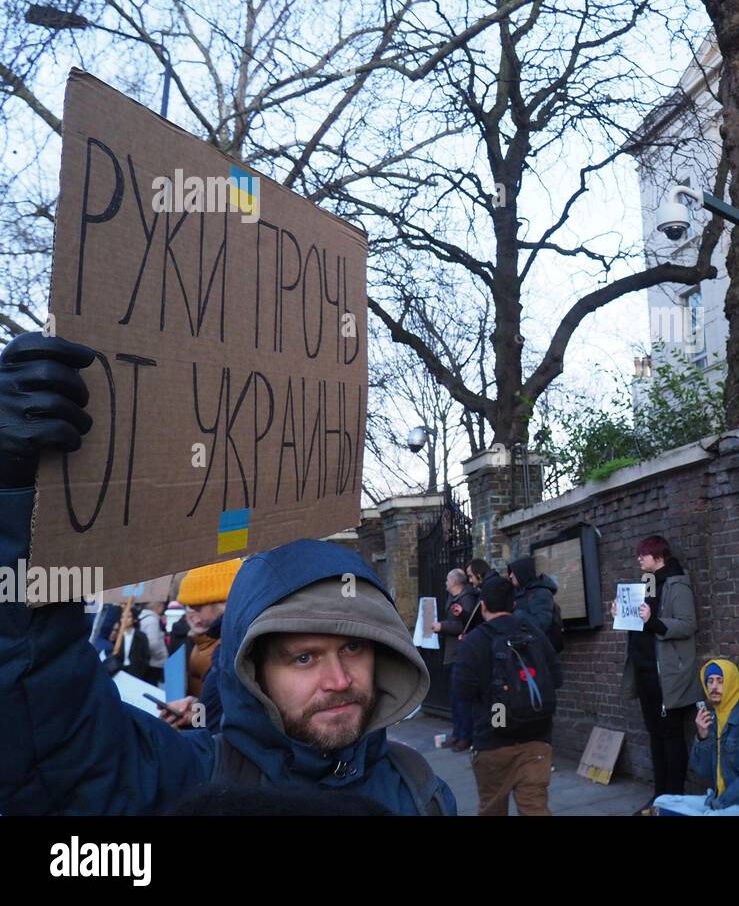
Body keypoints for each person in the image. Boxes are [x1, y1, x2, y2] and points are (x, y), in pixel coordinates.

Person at [0, 331, 455, 816]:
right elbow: (42, 733)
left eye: (352, 647)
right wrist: (14, 494)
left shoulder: (421, 791)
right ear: (252, 669)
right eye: (303, 657)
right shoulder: (180, 781)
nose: (339, 680)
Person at [452, 574, 561, 816]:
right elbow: (556, 677)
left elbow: (462, 690)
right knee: (535, 808)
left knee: (492, 808)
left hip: (492, 741)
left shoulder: (474, 641)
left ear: (483, 606)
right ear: (513, 604)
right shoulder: (533, 632)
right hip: (537, 738)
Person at [612, 534, 699, 815]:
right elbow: (639, 621)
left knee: (671, 735)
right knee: (655, 734)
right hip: (645, 671)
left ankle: (674, 797)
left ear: (658, 555)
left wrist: (654, 621)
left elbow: (687, 625)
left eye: (643, 554)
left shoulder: (676, 584)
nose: (639, 558)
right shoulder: (646, 584)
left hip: (667, 674)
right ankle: (660, 796)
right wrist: (620, 612)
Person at [653, 659, 739, 816]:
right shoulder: (713, 720)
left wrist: (719, 804)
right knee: (662, 801)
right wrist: (702, 737)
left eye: (720, 681)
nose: (714, 687)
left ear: (731, 684)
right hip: (718, 799)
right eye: (710, 681)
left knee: (709, 815)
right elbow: (703, 771)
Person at [162, 558, 244, 731]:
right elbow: (216, 713)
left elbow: (217, 733)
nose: (191, 613)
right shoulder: (219, 647)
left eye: (195, 606)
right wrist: (196, 712)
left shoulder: (234, 653)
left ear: (223, 604)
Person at [429, 567, 478, 751]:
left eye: (448, 580)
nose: (445, 583)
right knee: (455, 696)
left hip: (460, 652)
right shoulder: (454, 599)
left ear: (456, 582)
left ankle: (465, 735)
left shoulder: (466, 599)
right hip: (452, 652)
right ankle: (458, 732)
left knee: (461, 697)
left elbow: (465, 625)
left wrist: (442, 626)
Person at [508, 554, 562, 652]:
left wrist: (516, 614)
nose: (510, 576)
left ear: (522, 572)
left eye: (513, 572)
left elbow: (541, 625)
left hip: (539, 652)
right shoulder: (519, 592)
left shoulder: (541, 593)